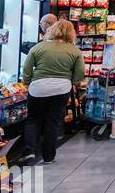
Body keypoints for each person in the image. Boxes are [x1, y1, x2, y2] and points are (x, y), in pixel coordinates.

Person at [20, 18, 85, 164]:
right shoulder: (74, 50)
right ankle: (48, 156)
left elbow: (27, 68)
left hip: (38, 88)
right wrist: (72, 83)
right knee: (52, 122)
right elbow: (80, 72)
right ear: (71, 33)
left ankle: (29, 151)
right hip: (61, 88)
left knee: (33, 120)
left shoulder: (39, 47)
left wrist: (27, 83)